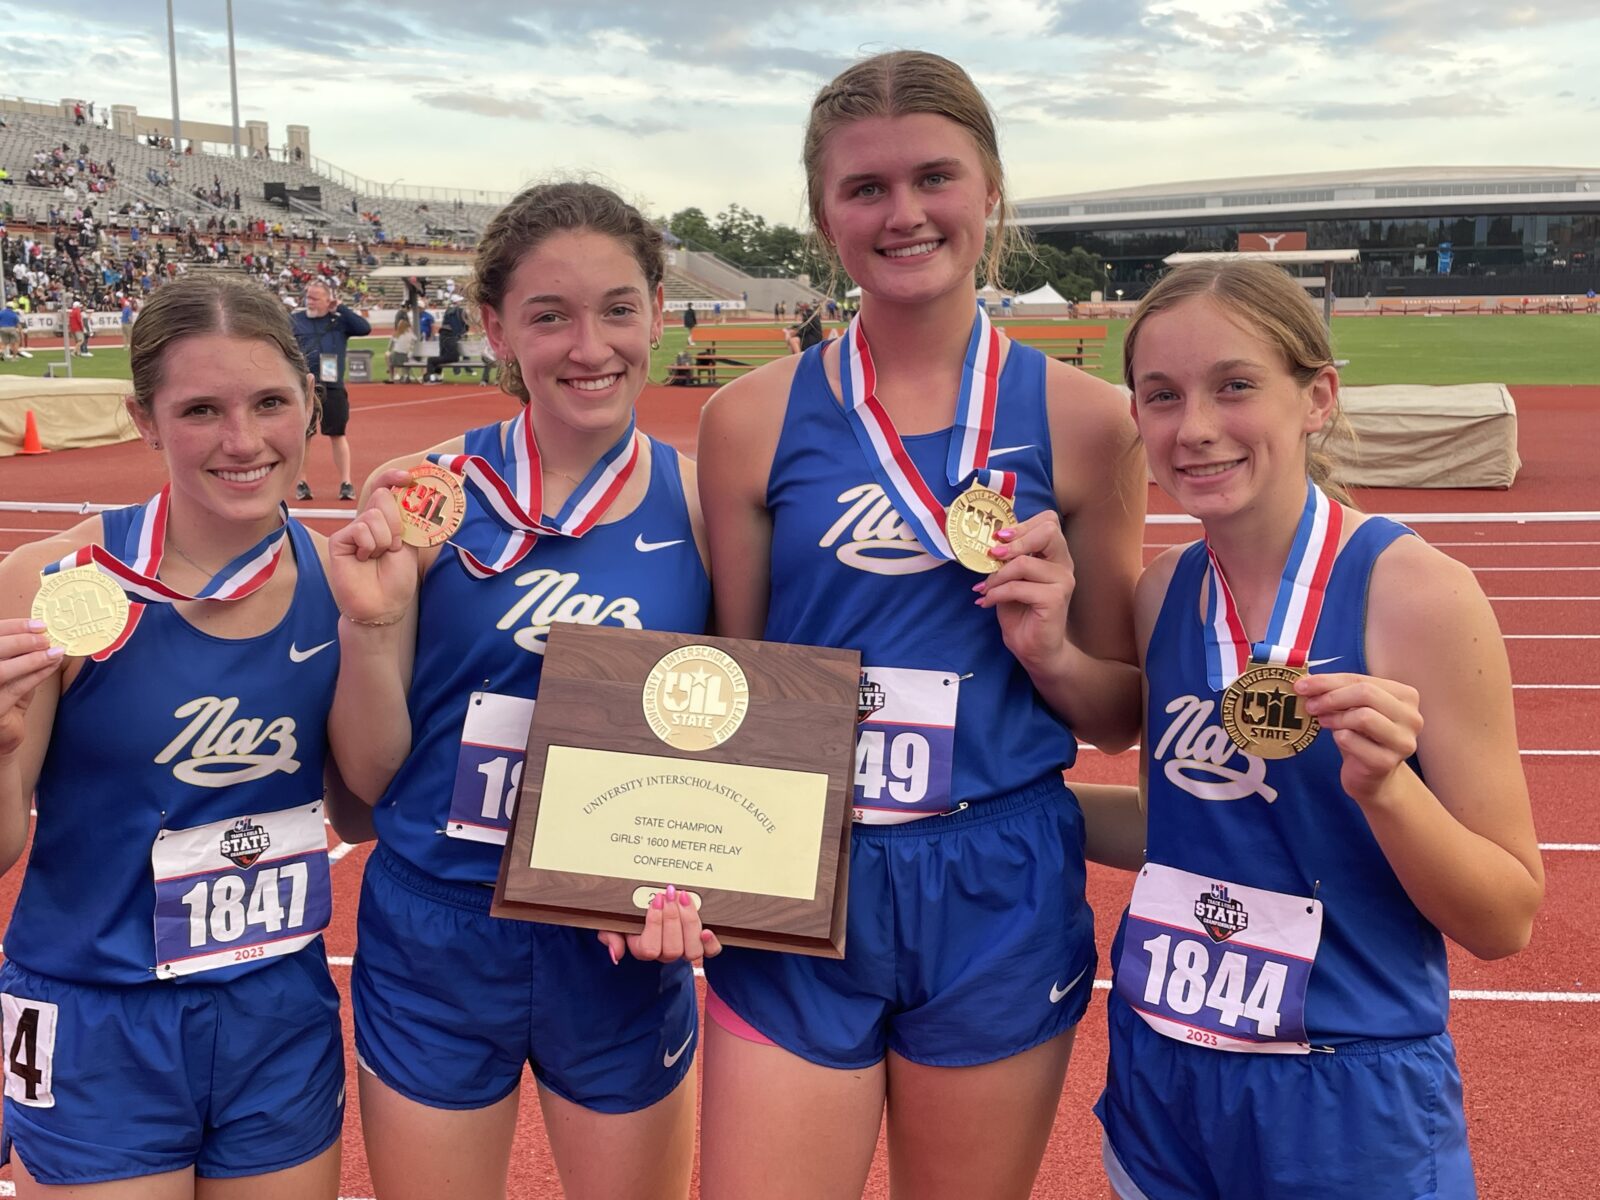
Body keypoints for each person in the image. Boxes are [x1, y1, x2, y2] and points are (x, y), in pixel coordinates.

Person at [695, 50, 1144, 1199]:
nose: (904, 213)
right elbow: (731, 688)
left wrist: (1048, 650)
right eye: (866, 188)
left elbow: (1115, 715)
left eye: (933, 178)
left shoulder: (1089, 422)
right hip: (798, 867)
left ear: (989, 190)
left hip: (996, 881)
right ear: (823, 217)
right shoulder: (747, 420)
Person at [1093, 260, 1543, 1200]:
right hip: (1163, 1069)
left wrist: (1388, 790)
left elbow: (1505, 918)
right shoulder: (1163, 591)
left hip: (1347, 1089)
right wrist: (1003, 803)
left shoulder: (1420, 595)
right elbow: (1179, 828)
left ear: (1318, 397)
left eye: (1235, 385)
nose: (1195, 426)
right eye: (1163, 395)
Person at [327, 181, 716, 1200]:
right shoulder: (423, 497)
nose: (590, 347)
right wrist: (371, 628)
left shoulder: (706, 506)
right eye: (549, 316)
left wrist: (702, 881)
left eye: (618, 309)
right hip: (437, 927)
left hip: (616, 935)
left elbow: (742, 744)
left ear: (657, 313)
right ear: (496, 328)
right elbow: (368, 778)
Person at [0, 273, 363, 1196]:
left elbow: (361, 814)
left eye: (270, 403)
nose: (243, 441)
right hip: (97, 1014)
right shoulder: (55, 581)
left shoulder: (346, 586)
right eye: (201, 410)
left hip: (277, 1011)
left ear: (309, 402)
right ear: (145, 420)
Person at [291, 279, 370, 502]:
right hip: (305, 386)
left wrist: (341, 308)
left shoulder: (339, 320)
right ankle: (302, 483)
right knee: (304, 435)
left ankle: (346, 483)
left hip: (332, 385)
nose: (310, 301)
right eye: (308, 297)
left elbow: (364, 328)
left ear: (328, 300)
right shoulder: (295, 320)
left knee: (337, 434)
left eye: (315, 298)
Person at [387, 312, 417, 382]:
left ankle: (391, 377)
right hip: (405, 357)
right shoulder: (410, 335)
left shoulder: (396, 335)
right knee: (408, 357)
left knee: (389, 356)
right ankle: (406, 375)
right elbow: (415, 341)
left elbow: (390, 347)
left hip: (395, 356)